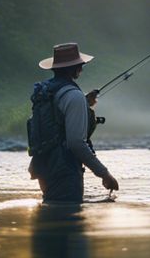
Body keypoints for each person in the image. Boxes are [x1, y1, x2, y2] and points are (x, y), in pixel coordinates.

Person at [28, 43, 119, 203]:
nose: (82, 68)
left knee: (50, 216)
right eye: (80, 65)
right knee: (67, 218)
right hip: (65, 168)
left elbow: (57, 119)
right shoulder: (74, 96)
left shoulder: (47, 90)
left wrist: (85, 103)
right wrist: (104, 174)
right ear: (75, 68)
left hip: (43, 165)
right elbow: (76, 143)